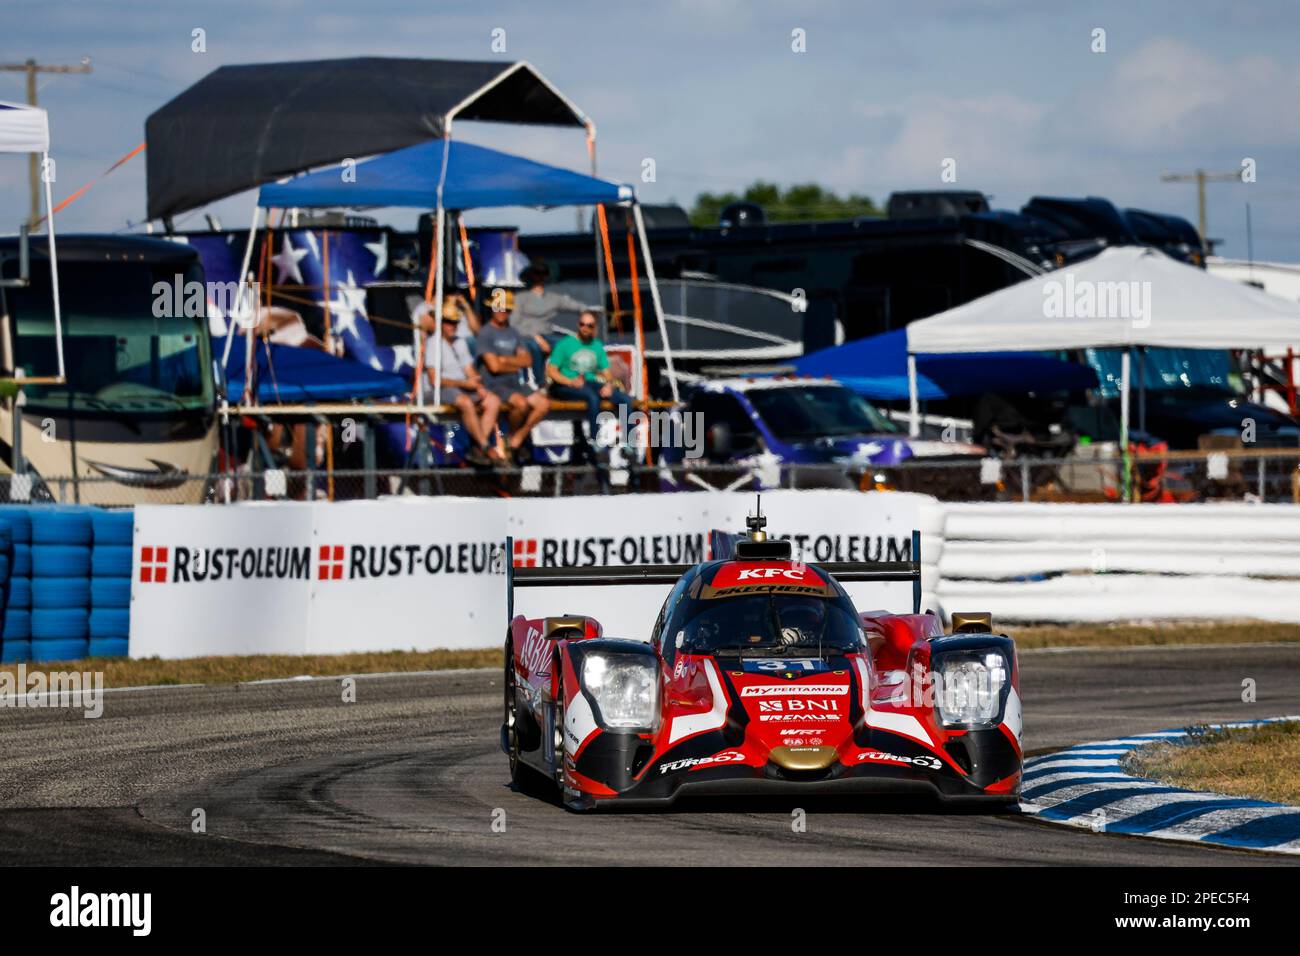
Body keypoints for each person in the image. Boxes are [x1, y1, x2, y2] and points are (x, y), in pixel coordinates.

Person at [546, 309, 632, 461]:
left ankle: (628, 442)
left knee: (625, 399)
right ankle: (595, 439)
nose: (585, 328)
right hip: (564, 385)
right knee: (591, 396)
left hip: (588, 382)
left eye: (589, 325)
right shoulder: (565, 344)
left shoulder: (597, 346)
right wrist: (570, 381)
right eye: (582, 324)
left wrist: (609, 385)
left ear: (595, 328)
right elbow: (551, 371)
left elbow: (606, 373)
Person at [476, 290, 550, 463]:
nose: (502, 312)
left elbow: (528, 360)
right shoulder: (485, 333)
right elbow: (493, 367)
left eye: (506, 309)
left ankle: (516, 438)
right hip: (495, 384)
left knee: (544, 404)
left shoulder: (513, 332)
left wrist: (503, 360)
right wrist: (513, 361)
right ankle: (510, 439)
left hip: (515, 382)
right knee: (521, 404)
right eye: (499, 308)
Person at [426, 301, 502, 465]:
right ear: (440, 322)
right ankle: (485, 445)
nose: (452, 326)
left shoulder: (460, 342)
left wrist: (478, 386)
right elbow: (434, 380)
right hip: (441, 389)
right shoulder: (433, 343)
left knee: (493, 400)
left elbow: (469, 370)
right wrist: (465, 384)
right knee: (465, 402)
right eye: (448, 322)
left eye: (455, 322)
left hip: (462, 387)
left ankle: (476, 447)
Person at [512, 261, 586, 381]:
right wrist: (537, 338)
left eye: (543, 273)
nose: (540, 277)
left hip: (547, 334)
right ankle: (540, 382)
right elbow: (514, 323)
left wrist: (588, 311)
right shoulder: (520, 298)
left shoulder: (553, 298)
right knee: (534, 347)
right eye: (536, 273)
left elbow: (573, 305)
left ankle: (567, 378)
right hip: (526, 336)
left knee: (568, 343)